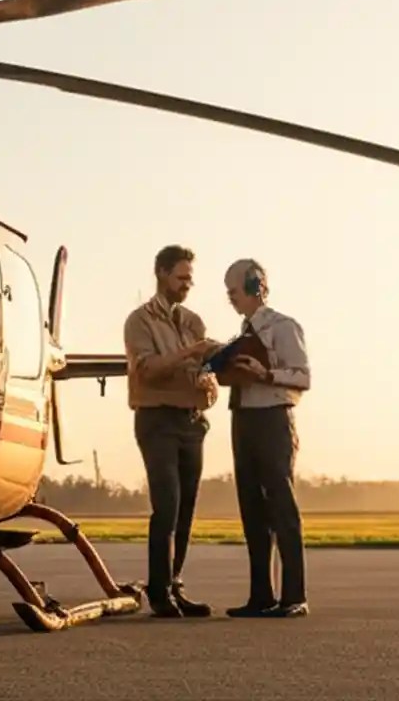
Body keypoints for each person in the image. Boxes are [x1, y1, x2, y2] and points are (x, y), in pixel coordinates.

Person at [123, 244, 222, 618]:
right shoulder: (139, 322)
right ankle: (159, 590)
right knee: (167, 505)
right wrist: (191, 352)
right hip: (156, 420)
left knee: (186, 509)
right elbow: (147, 370)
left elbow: (204, 371)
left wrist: (208, 381)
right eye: (181, 278)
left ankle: (175, 583)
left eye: (190, 280)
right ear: (161, 274)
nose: (186, 286)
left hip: (191, 421)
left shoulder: (193, 320)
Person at [221, 258, 311, 618]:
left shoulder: (284, 326)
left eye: (234, 291)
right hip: (242, 419)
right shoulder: (242, 334)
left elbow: (303, 376)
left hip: (273, 419)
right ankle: (261, 594)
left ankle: (294, 596)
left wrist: (266, 373)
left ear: (255, 287)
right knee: (251, 511)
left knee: (281, 507)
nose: (230, 298)